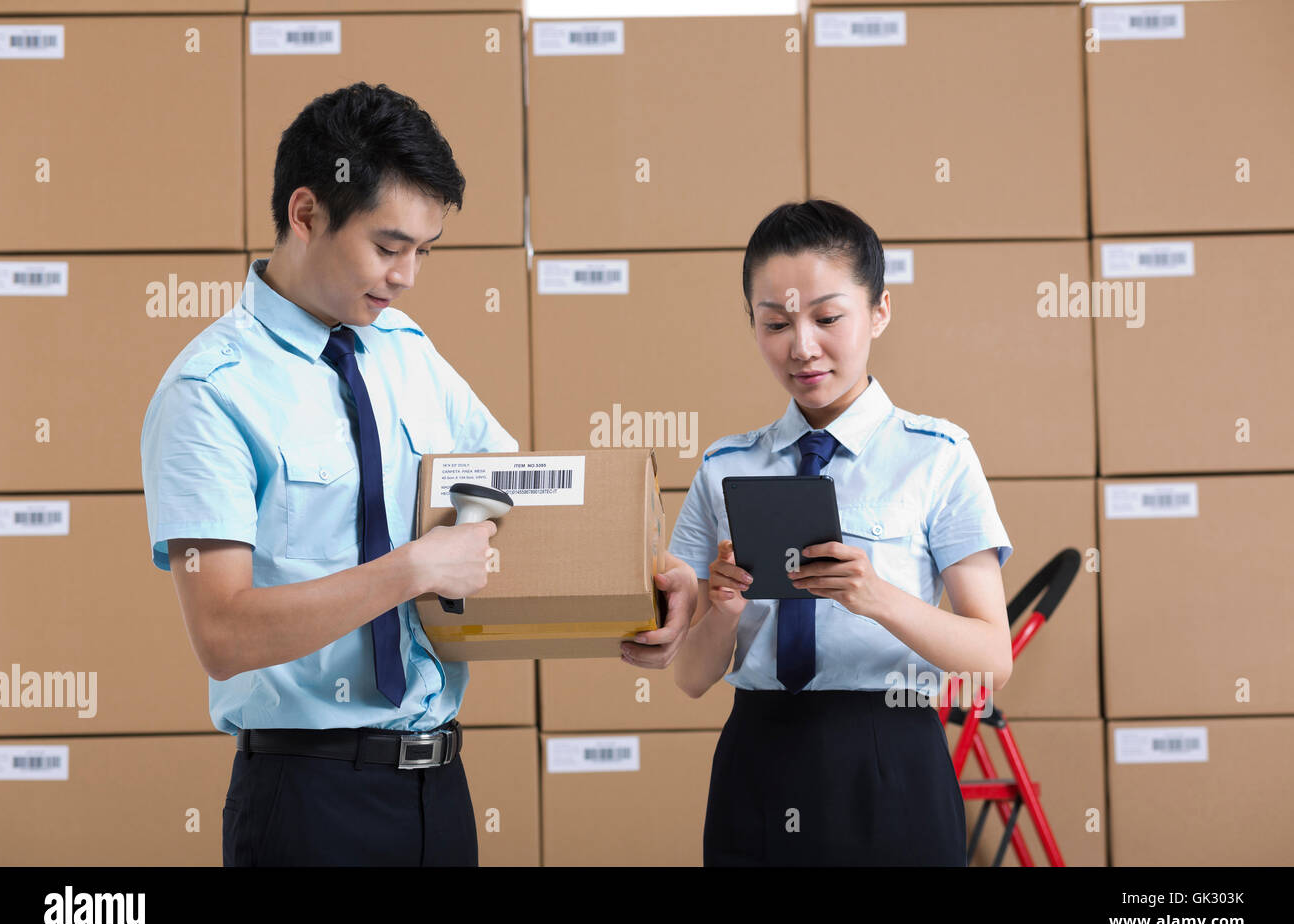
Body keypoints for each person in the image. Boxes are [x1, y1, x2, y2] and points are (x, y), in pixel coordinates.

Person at [139, 82, 697, 867]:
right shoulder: (211, 393)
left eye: (423, 252)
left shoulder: (405, 351)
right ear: (305, 215)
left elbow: (519, 493)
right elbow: (224, 634)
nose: (405, 275)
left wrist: (653, 581)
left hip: (439, 789)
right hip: (308, 801)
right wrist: (410, 570)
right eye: (387, 245)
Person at [667, 199, 1014, 866]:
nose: (802, 347)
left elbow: (991, 660)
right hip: (757, 758)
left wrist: (875, 595)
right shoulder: (724, 467)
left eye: (828, 318)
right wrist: (724, 611)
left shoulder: (937, 455)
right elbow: (688, 675)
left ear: (879, 310)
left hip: (893, 757)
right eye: (775, 323)